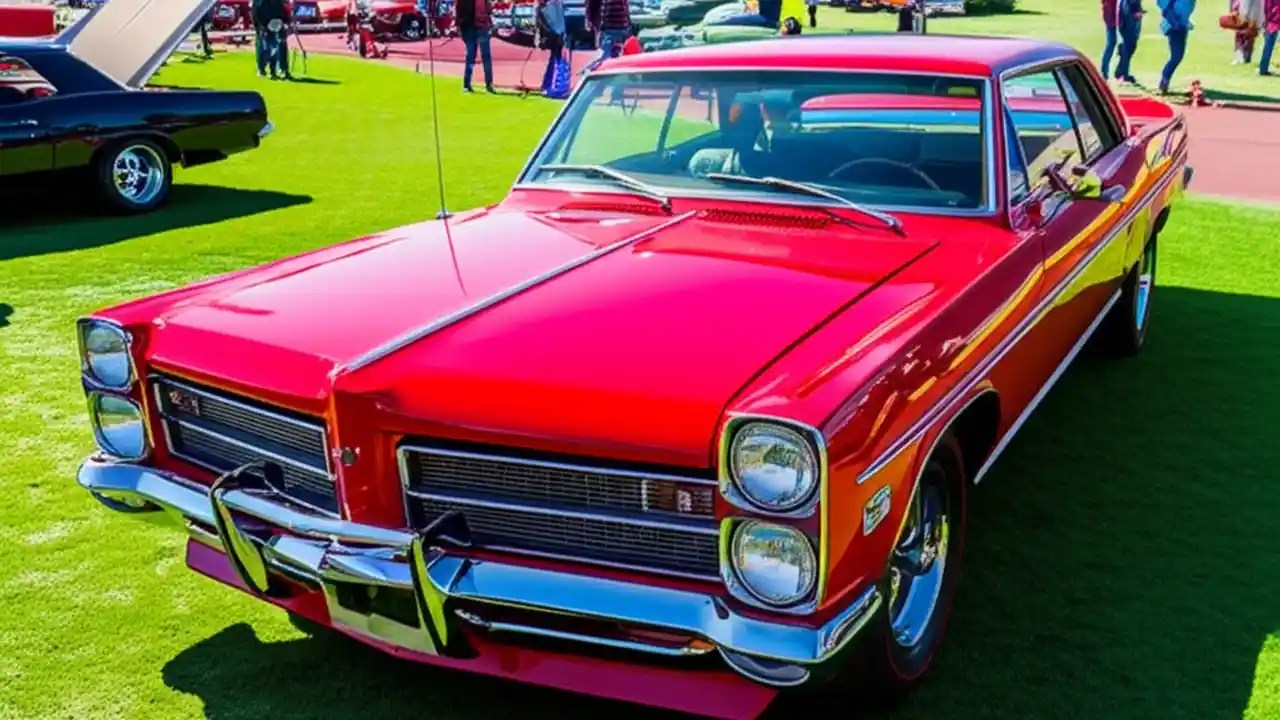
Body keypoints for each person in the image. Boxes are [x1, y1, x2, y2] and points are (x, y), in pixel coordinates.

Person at [1156, 0, 1196, 93]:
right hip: (1174, 25)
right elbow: (1162, 4)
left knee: (1178, 56)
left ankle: (1165, 79)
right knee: (1177, 56)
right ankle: (1165, 79)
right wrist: (1174, 21)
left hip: (1181, 24)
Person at [457, 0, 495, 93]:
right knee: (472, 56)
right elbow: (459, 11)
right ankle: (468, 84)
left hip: (480, 27)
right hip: (471, 27)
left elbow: (488, 8)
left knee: (483, 57)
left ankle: (488, 83)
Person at [583, 0, 630, 74]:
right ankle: (588, 70)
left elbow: (626, 7)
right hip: (611, 30)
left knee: (617, 56)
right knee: (605, 56)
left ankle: (589, 70)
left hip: (620, 29)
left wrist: (628, 23)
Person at [252, 0, 292, 79]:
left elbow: (283, 8)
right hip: (264, 24)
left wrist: (287, 21)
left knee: (280, 46)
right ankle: (262, 69)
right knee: (265, 48)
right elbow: (256, 10)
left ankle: (281, 69)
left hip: (278, 23)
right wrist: (260, 25)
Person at [535, 0, 566, 93]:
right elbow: (541, 22)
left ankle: (553, 85)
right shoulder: (546, 6)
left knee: (556, 59)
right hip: (553, 35)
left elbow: (560, 20)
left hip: (557, 34)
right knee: (554, 60)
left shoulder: (556, 4)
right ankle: (550, 85)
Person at [1114, 0, 1144, 83]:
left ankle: (1121, 71)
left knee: (1128, 48)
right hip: (1129, 23)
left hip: (1124, 22)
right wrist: (1137, 12)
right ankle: (1124, 74)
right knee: (1129, 47)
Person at [1101, 0, 1120, 79]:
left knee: (1112, 43)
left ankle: (1107, 70)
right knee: (1111, 43)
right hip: (1111, 16)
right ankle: (1105, 70)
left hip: (1113, 16)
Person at [1262, 0, 1279, 73]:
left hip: (1272, 20)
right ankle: (1263, 68)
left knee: (1268, 46)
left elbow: (1265, 8)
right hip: (1274, 20)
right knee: (1268, 46)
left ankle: (1263, 68)